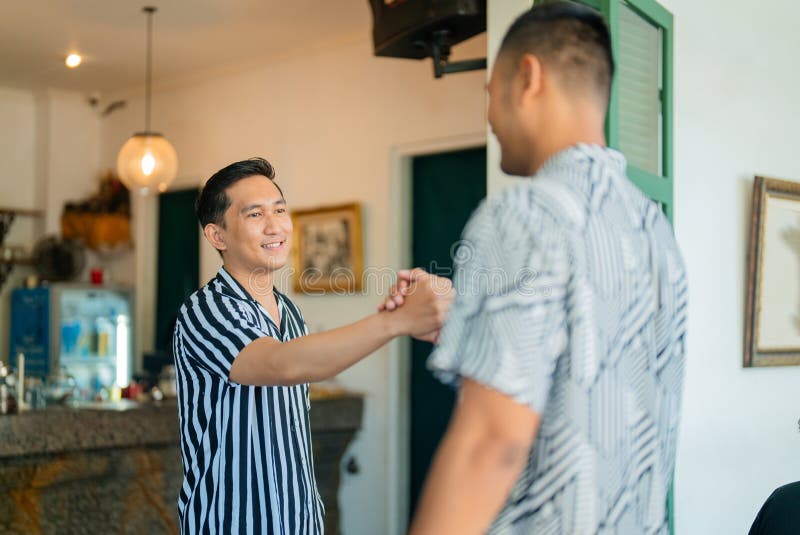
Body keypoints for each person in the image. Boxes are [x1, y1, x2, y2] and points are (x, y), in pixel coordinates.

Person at [383, 2, 688, 533]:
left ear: (527, 78)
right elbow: (592, 362)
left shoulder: (523, 213)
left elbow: (490, 445)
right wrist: (469, 317)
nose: (490, 118)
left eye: (489, 94)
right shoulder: (653, 229)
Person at [172, 157, 452, 534]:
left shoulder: (288, 310)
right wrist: (397, 321)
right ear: (217, 236)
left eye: (280, 210)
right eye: (255, 215)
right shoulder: (207, 309)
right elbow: (280, 365)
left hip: (298, 520)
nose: (275, 226)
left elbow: (304, 364)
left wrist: (402, 313)